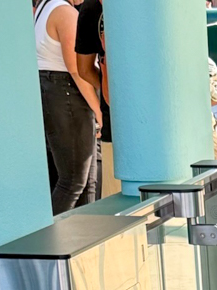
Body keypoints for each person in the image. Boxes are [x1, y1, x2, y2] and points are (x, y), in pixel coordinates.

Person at [35, 0, 100, 213]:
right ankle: (47, 242)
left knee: (84, 181)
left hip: (54, 95)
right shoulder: (64, 13)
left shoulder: (45, 7)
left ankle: (84, 238)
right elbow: (77, 70)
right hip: (66, 96)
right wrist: (100, 111)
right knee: (73, 181)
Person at [74, 0, 120, 198]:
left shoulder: (91, 8)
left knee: (119, 198)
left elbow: (83, 69)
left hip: (115, 118)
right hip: (163, 121)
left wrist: (117, 91)